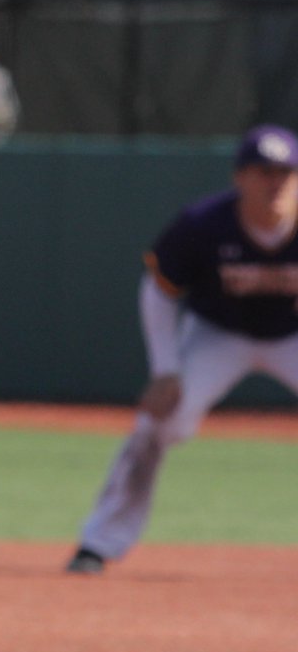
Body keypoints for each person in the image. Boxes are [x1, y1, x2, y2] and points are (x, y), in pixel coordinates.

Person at [66, 124, 298, 574]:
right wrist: (165, 369)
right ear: (239, 178)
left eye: (285, 173)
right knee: (157, 424)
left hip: (291, 336)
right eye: (262, 171)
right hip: (218, 334)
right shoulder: (204, 224)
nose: (274, 183)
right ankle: (98, 543)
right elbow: (159, 289)